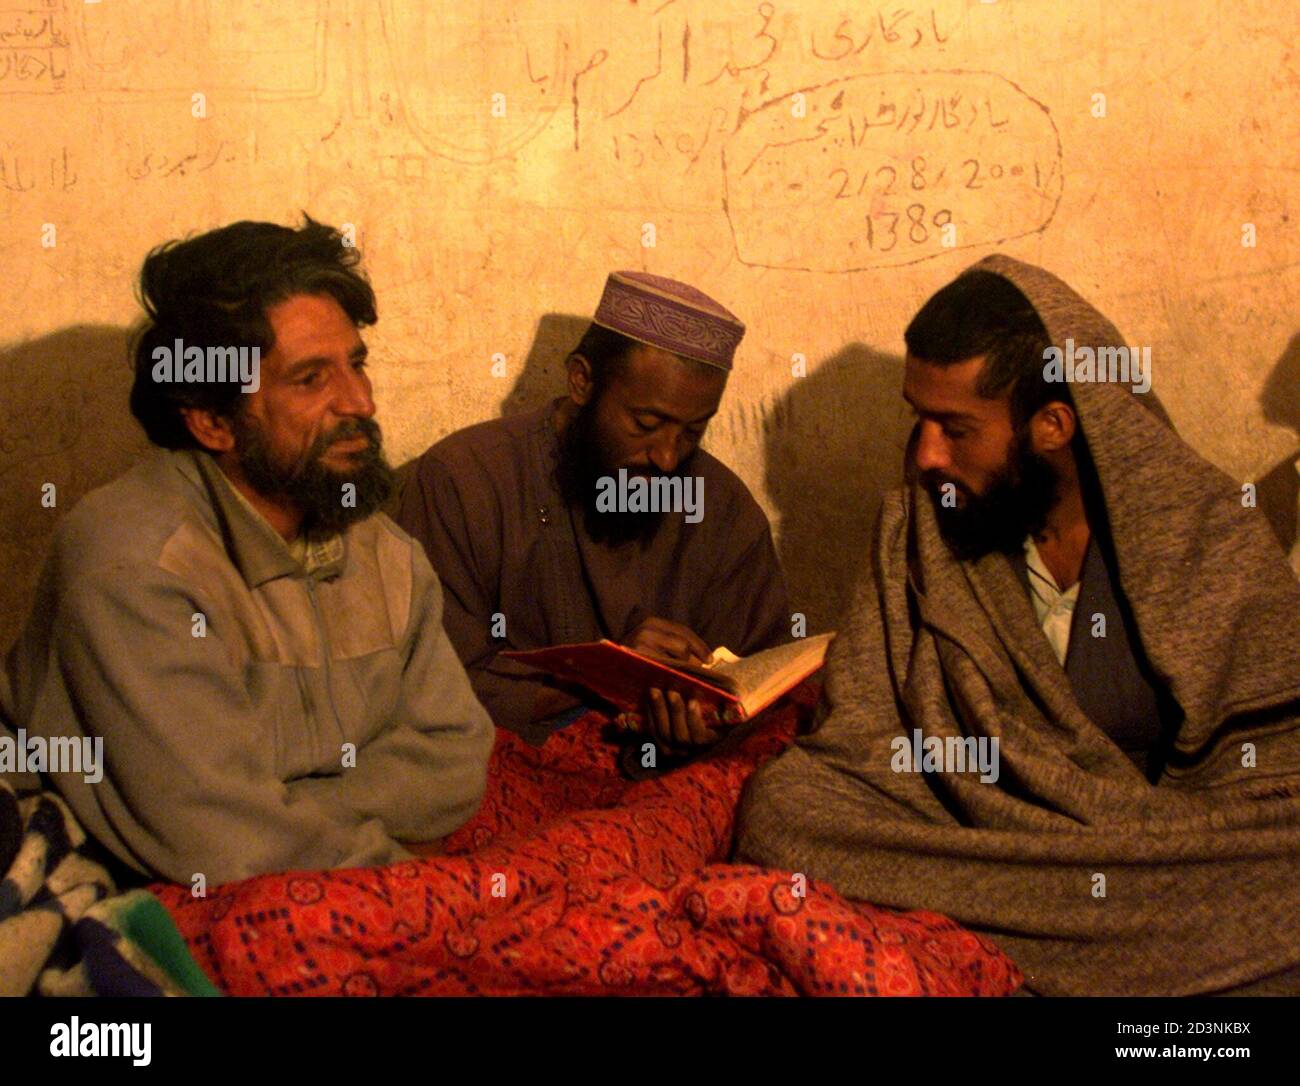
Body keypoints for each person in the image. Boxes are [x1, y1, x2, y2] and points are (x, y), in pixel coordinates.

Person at [736, 255, 1300, 995]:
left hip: (1152, 848)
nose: (925, 455)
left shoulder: (1204, 531)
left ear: (1053, 426)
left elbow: (1272, 772)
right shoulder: (917, 525)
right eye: (919, 419)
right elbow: (859, 742)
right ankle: (1118, 939)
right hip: (989, 838)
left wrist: (1133, 845)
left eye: (956, 429)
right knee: (782, 811)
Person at [0, 217, 494, 887]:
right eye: (310, 379)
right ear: (212, 421)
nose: (361, 402)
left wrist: (291, 810)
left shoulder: (385, 551)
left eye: (356, 364)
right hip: (146, 878)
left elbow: (455, 758)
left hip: (303, 866)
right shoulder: (135, 567)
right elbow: (219, 842)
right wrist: (390, 863)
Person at [397, 271, 790, 755]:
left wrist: (702, 723)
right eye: (646, 423)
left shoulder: (723, 509)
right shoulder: (463, 481)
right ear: (582, 380)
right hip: (503, 766)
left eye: (692, 431)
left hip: (666, 782)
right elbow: (423, 683)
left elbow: (763, 685)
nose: (667, 458)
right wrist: (609, 674)